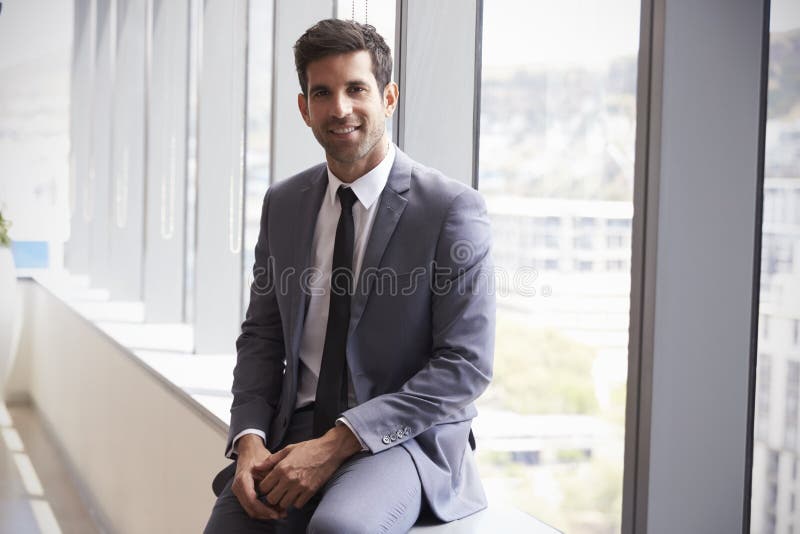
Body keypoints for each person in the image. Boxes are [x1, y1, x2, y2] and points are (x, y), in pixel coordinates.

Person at [204, 18, 495, 533]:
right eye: (323, 93)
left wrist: (339, 441)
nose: (340, 109)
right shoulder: (284, 204)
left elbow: (465, 365)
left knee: (341, 529)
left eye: (356, 89)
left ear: (388, 97)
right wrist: (249, 438)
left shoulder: (450, 209)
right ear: (304, 108)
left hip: (402, 438)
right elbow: (262, 336)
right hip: (293, 426)